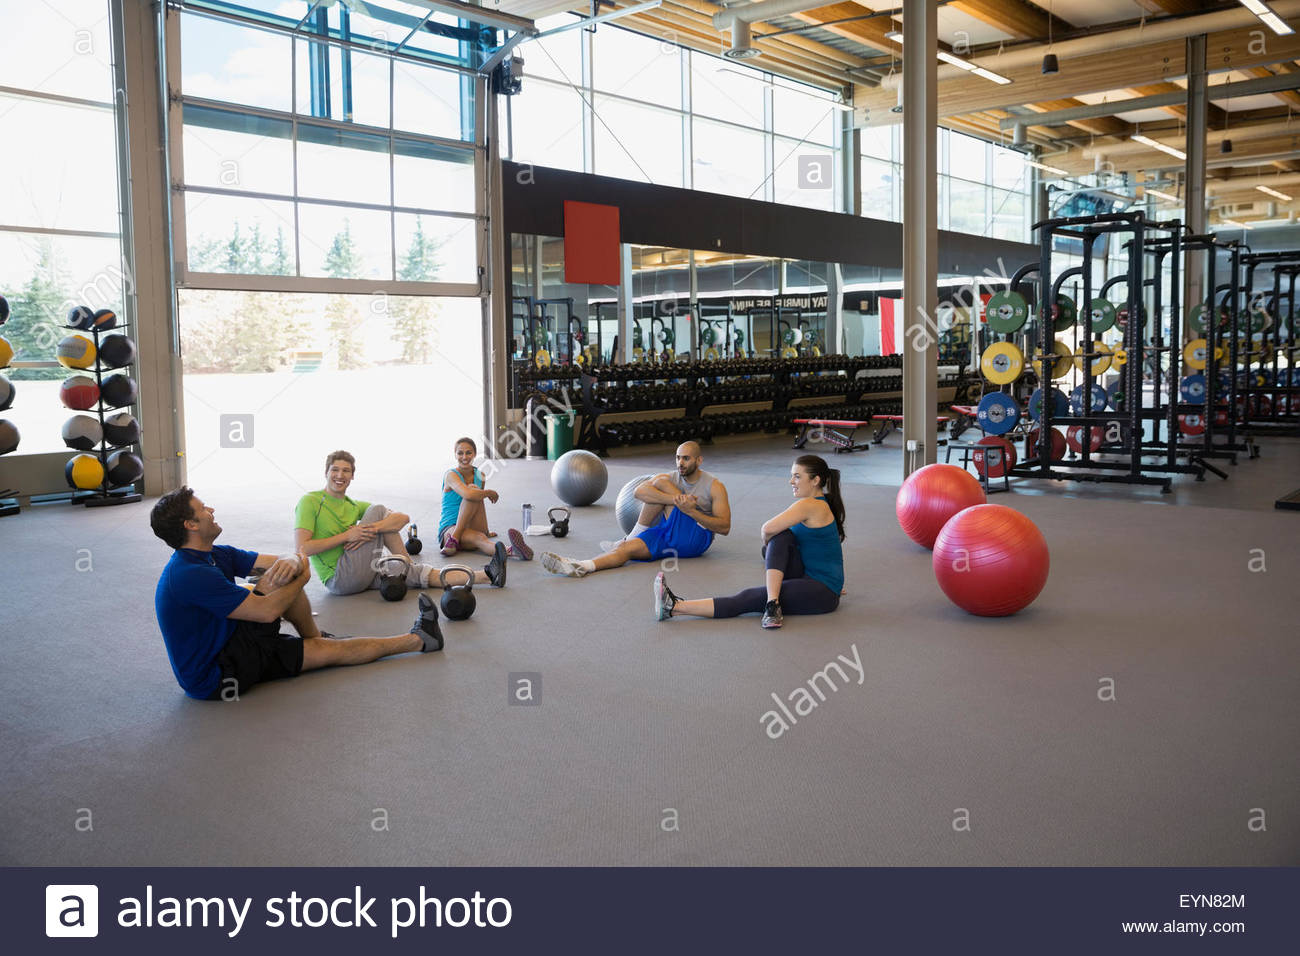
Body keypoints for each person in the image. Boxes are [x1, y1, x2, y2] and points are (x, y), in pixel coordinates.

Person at [152, 487, 445, 700]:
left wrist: (294, 561)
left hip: (232, 641)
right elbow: (267, 611)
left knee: (328, 649)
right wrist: (301, 574)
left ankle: (419, 639)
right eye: (204, 509)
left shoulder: (216, 554)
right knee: (275, 586)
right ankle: (313, 638)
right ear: (190, 525)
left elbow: (281, 561)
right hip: (217, 673)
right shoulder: (189, 574)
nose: (211, 510)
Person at [653, 454, 844, 629]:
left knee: (749, 597)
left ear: (815, 480)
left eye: (797, 476)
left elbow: (766, 529)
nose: (791, 481)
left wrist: (772, 548)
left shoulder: (809, 505)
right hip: (812, 578)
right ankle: (773, 601)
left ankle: (675, 607)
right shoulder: (818, 503)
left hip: (823, 593)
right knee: (779, 538)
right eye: (791, 476)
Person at [295, 450, 506, 596]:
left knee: (420, 573)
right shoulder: (311, 501)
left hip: (362, 568)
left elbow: (402, 519)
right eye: (335, 470)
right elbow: (302, 548)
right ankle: (409, 566)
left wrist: (374, 528)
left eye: (346, 471)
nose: (340, 475)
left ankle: (487, 575)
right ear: (326, 472)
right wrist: (347, 536)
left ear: (352, 476)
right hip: (340, 578)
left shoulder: (352, 504)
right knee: (378, 510)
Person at [541, 440, 730, 578]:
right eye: (678, 458)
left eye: (686, 459)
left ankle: (632, 535)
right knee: (626, 549)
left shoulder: (714, 485)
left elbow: (724, 527)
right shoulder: (673, 476)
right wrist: (675, 499)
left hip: (696, 539)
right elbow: (639, 491)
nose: (680, 463)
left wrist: (692, 511)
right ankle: (581, 565)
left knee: (661, 484)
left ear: (699, 460)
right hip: (667, 534)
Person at [439, 436, 532, 561]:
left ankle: (457, 540)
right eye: (460, 453)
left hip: (472, 523)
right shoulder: (450, 475)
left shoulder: (480, 475)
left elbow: (478, 503)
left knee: (475, 491)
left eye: (468, 453)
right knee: (479, 538)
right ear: (455, 455)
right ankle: (511, 550)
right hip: (450, 528)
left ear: (475, 454)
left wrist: (486, 531)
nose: (464, 457)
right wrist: (489, 492)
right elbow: (468, 495)